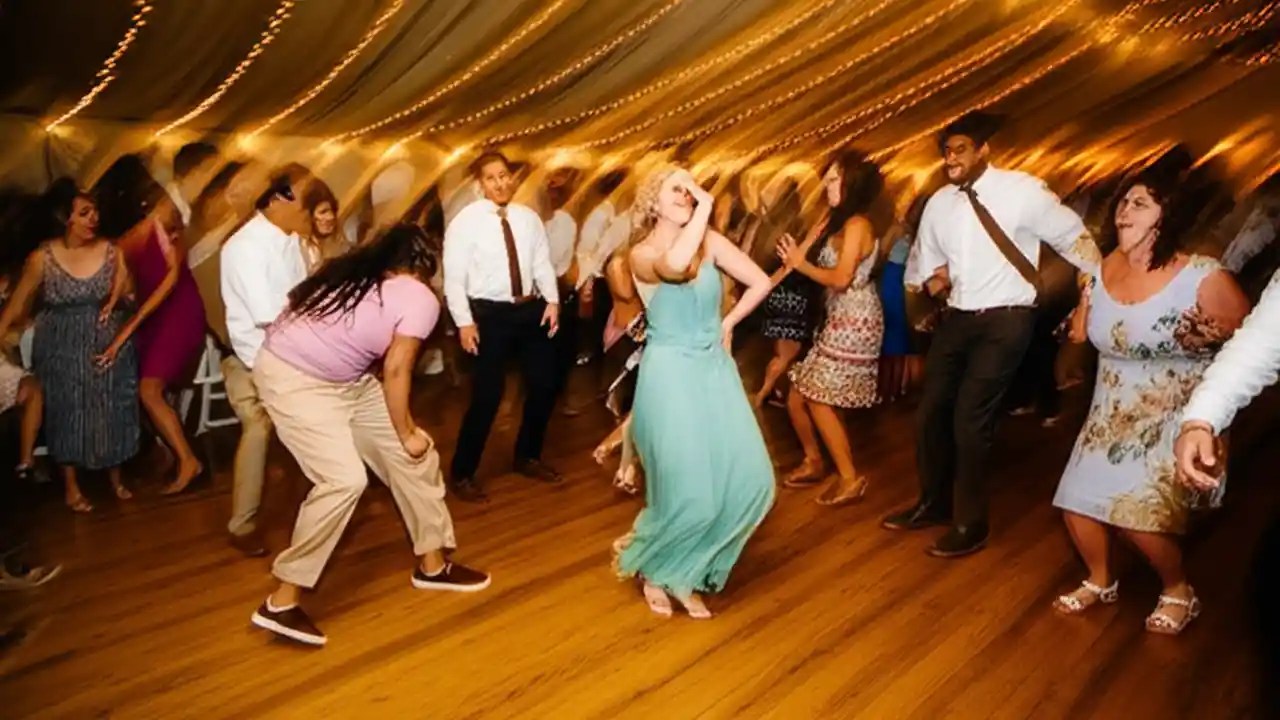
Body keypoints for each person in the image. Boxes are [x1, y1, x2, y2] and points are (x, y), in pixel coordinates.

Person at [249, 223, 488, 647]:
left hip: (348, 379)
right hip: (296, 379)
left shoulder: (352, 274)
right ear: (424, 261)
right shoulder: (418, 295)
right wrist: (407, 429)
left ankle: (432, 566)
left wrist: (406, 437)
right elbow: (396, 370)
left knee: (415, 456)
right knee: (344, 480)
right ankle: (281, 600)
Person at [888, 112, 1102, 557]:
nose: (951, 158)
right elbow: (925, 261)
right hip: (960, 317)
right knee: (930, 413)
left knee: (970, 418)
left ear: (983, 149)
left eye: (960, 148)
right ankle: (933, 503)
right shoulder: (940, 202)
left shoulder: (1022, 191)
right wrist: (929, 283)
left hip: (1008, 318)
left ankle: (972, 524)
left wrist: (1091, 291)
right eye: (946, 151)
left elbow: (1075, 239)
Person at [1051, 170, 1248, 634]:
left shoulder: (1200, 276)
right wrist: (1077, 310)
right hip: (1109, 411)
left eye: (1140, 203)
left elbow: (1249, 339)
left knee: (1137, 518)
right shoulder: (1101, 271)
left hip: (1171, 413)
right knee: (1076, 505)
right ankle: (1100, 580)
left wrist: (1209, 336)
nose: (1125, 210)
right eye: (1124, 202)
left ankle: (1178, 589)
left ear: (1166, 217)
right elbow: (1084, 331)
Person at [612, 166, 774, 619]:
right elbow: (676, 268)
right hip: (669, 374)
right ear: (653, 203)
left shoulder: (712, 243)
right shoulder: (641, 255)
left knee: (751, 480)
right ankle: (662, 571)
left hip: (714, 371)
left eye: (691, 188)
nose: (687, 195)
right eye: (676, 189)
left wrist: (728, 321)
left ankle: (689, 565)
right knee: (689, 489)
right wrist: (704, 207)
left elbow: (760, 281)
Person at [0, 188, 138, 511]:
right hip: (60, 346)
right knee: (67, 411)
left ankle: (116, 478)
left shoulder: (111, 251)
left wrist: (127, 291)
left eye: (95, 212)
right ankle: (72, 487)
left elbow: (130, 296)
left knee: (112, 408)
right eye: (85, 213)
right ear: (66, 218)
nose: (95, 219)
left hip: (108, 345)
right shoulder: (42, 257)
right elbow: (16, 305)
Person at [443, 151, 562, 503]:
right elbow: (454, 278)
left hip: (530, 310)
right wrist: (464, 323)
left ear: (513, 177)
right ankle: (462, 473)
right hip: (489, 315)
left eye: (504, 175)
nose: (500, 183)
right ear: (481, 184)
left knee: (544, 384)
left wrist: (552, 300)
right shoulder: (466, 222)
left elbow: (542, 262)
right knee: (487, 395)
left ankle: (528, 455)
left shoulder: (527, 218)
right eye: (491, 177)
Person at [776, 152, 884, 505]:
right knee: (797, 396)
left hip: (856, 319)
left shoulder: (857, 226)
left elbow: (840, 279)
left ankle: (850, 478)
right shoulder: (832, 221)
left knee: (819, 398)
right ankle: (814, 460)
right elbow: (799, 257)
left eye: (834, 178)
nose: (826, 184)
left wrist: (801, 264)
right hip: (835, 317)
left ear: (852, 183)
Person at [219, 165, 312, 556]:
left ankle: (310, 508)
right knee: (258, 429)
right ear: (278, 199)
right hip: (255, 356)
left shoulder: (290, 241)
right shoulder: (243, 247)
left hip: (294, 350)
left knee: (308, 429)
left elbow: (304, 297)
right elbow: (269, 314)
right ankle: (242, 526)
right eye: (305, 200)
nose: (308, 209)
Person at [100, 193, 208, 494]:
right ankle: (177, 454)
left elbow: (171, 281)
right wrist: (110, 304)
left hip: (178, 312)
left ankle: (188, 461)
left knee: (149, 390)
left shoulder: (163, 225)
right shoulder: (123, 242)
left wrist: (130, 327)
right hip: (154, 317)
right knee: (145, 389)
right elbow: (122, 283)